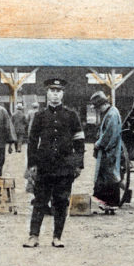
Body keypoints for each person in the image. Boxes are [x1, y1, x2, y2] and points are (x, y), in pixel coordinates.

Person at [24, 78, 85, 248]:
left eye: (58, 91)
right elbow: (32, 142)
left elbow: (79, 142)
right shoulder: (39, 116)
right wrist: (32, 165)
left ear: (63, 94)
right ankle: (33, 236)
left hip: (64, 168)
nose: (55, 94)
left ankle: (57, 237)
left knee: (61, 201)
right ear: (47, 93)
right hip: (44, 167)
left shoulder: (71, 115)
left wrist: (77, 164)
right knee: (40, 201)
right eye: (52, 91)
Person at [91, 90, 123, 213]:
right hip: (109, 149)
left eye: (98, 107)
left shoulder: (112, 114)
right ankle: (105, 203)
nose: (98, 110)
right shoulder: (110, 112)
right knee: (105, 175)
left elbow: (110, 134)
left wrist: (99, 144)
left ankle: (111, 203)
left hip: (110, 150)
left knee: (109, 175)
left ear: (102, 105)